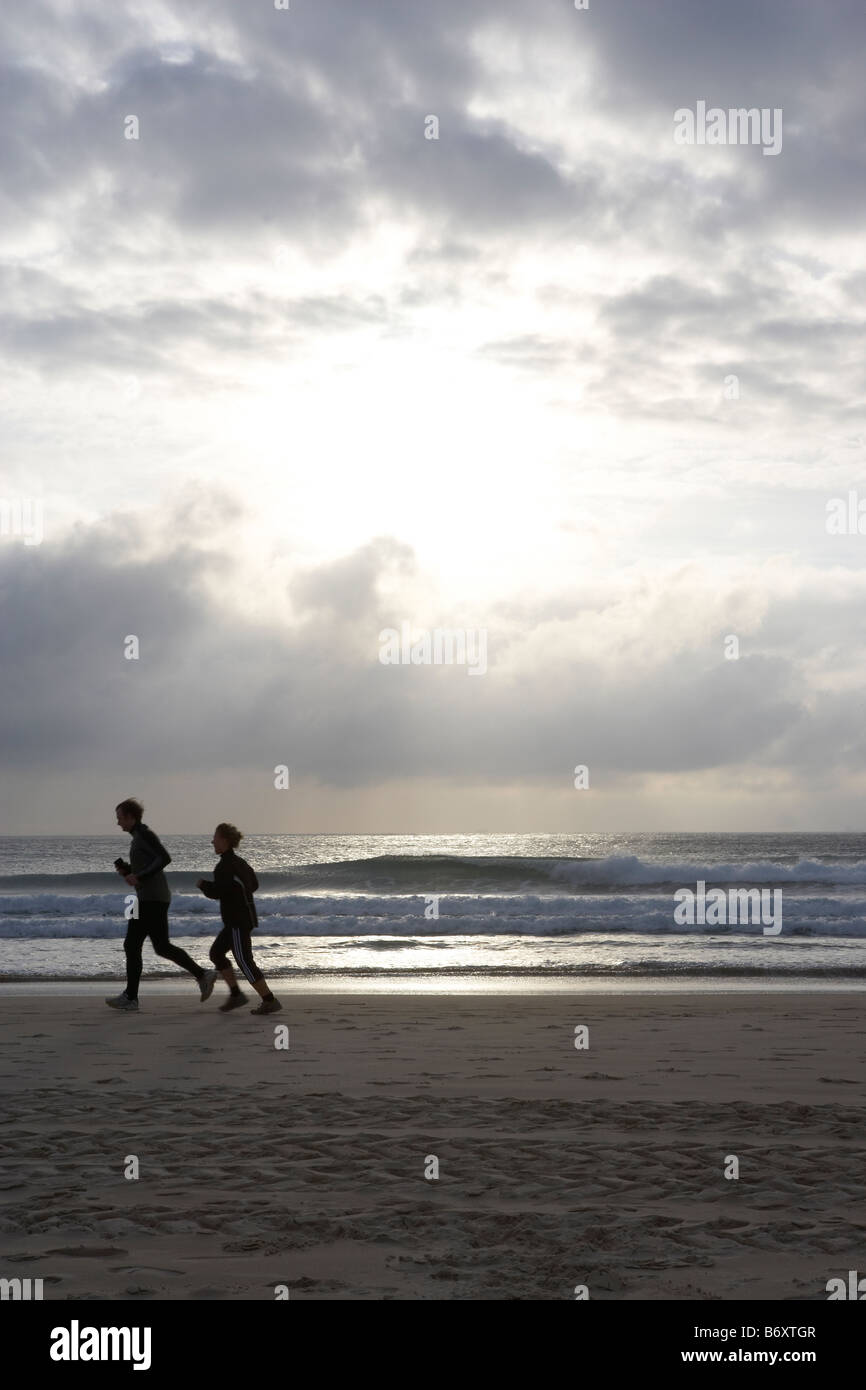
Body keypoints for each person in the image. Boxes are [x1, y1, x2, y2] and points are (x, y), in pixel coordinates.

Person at [106, 798, 217, 1011]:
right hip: (152, 898)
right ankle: (203, 975)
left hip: (151, 899)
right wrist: (129, 871)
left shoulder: (144, 834)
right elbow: (149, 866)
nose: (118, 822)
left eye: (120, 818)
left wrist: (139, 876)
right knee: (161, 946)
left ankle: (131, 997)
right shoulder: (138, 836)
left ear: (130, 817)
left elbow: (164, 858)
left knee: (132, 944)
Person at [196, 822, 281, 1015]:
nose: (212, 841)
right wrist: (239, 893)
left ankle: (269, 1000)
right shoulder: (239, 862)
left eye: (215, 837)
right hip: (244, 918)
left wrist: (202, 885)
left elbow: (217, 892)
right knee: (217, 953)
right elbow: (254, 884)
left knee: (244, 961)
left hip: (237, 922)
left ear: (225, 840)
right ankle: (236, 995)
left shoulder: (224, 866)